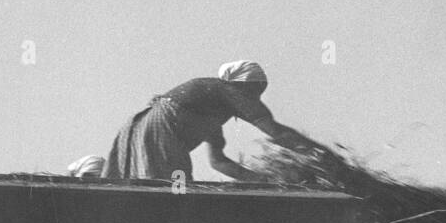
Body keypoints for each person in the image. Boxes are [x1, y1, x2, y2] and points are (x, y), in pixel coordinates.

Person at [103, 60, 323, 182]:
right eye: (255, 91)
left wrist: (262, 179)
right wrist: (321, 155)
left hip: (142, 129)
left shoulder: (208, 111)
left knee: (157, 185)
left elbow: (218, 162)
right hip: (158, 128)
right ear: (243, 85)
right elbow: (277, 132)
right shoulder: (227, 89)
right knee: (172, 189)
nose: (256, 99)